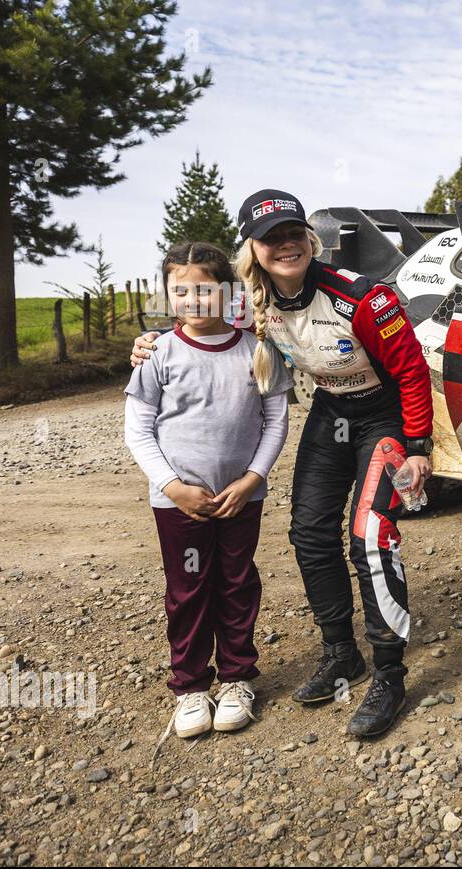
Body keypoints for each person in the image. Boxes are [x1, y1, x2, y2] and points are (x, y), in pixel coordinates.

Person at [132, 189, 434, 737]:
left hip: (384, 414)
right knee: (309, 532)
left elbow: (412, 372)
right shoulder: (250, 301)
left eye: (293, 233)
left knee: (369, 534)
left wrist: (419, 449)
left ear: (309, 239)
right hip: (332, 409)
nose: (285, 245)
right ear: (255, 248)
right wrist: (149, 342)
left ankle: (390, 673)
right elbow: (197, 324)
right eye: (271, 238)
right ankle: (341, 651)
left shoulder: (364, 297)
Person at [124, 241, 291, 741]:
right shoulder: (158, 353)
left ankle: (237, 678)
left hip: (241, 499)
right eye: (181, 291)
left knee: (237, 583)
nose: (193, 301)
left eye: (204, 289)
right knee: (189, 589)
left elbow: (275, 421)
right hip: (181, 506)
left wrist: (251, 479)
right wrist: (174, 488)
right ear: (168, 294)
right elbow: (139, 429)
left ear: (228, 291)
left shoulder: (257, 351)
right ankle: (191, 686)